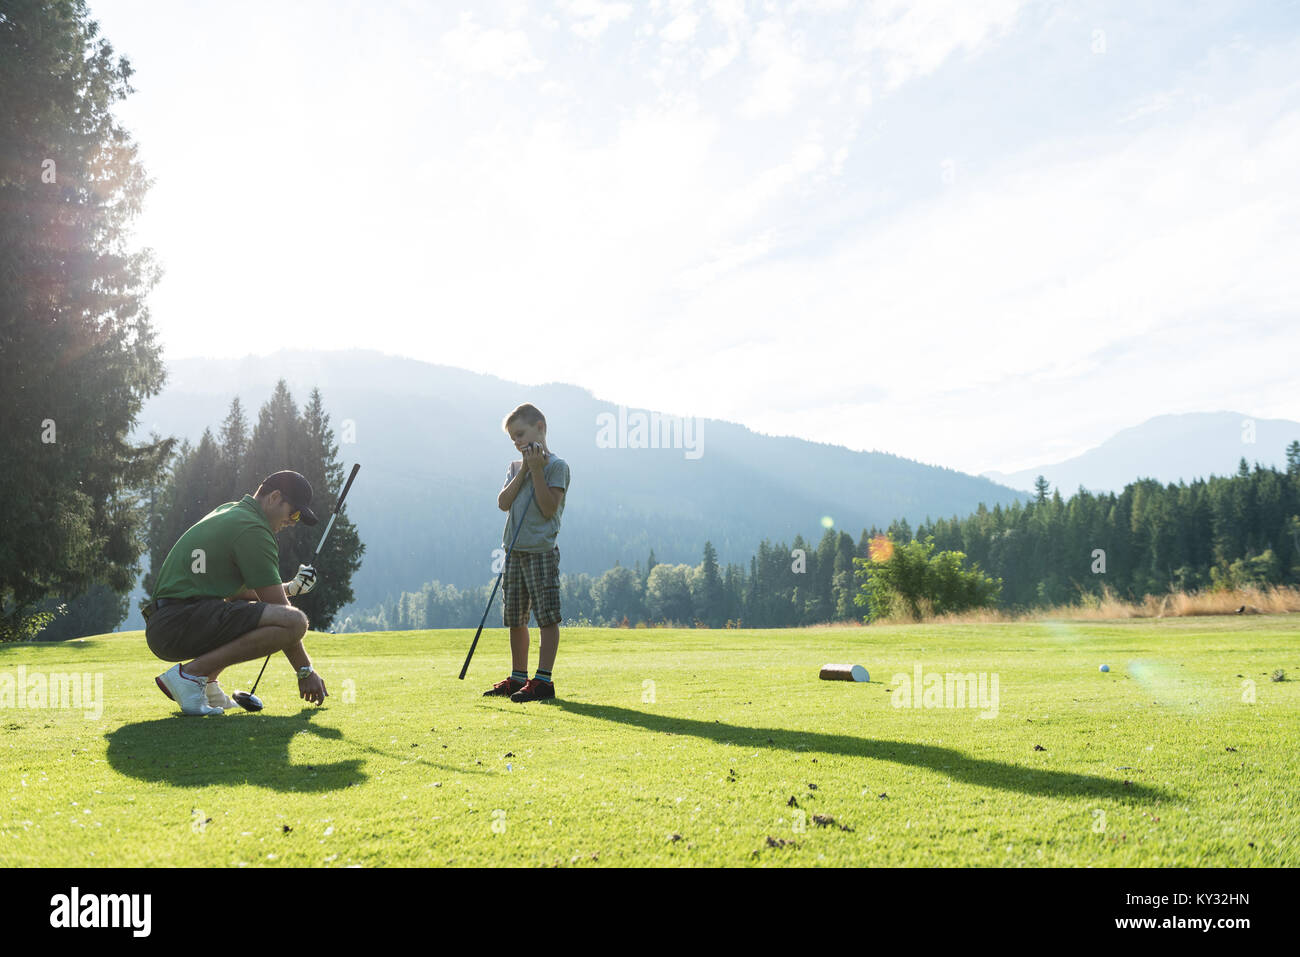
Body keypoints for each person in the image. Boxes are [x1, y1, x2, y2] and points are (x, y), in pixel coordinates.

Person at [143, 470, 329, 715]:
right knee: (295, 622)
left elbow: (239, 595)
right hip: (180, 621)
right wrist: (305, 671)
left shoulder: (232, 512)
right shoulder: (253, 528)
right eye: (293, 513)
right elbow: (281, 612)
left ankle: (208, 686)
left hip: (170, 620)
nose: (293, 522)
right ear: (274, 497)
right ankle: (190, 675)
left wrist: (291, 587)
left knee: (246, 613)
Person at [483, 404, 570, 702]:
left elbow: (548, 509)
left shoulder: (557, 467)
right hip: (513, 552)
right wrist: (524, 470)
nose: (517, 442)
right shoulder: (514, 467)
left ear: (540, 427)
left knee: (547, 617)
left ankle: (543, 681)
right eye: (513, 439)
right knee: (515, 618)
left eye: (520, 434)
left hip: (540, 552)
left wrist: (536, 471)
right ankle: (518, 677)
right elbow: (503, 503)